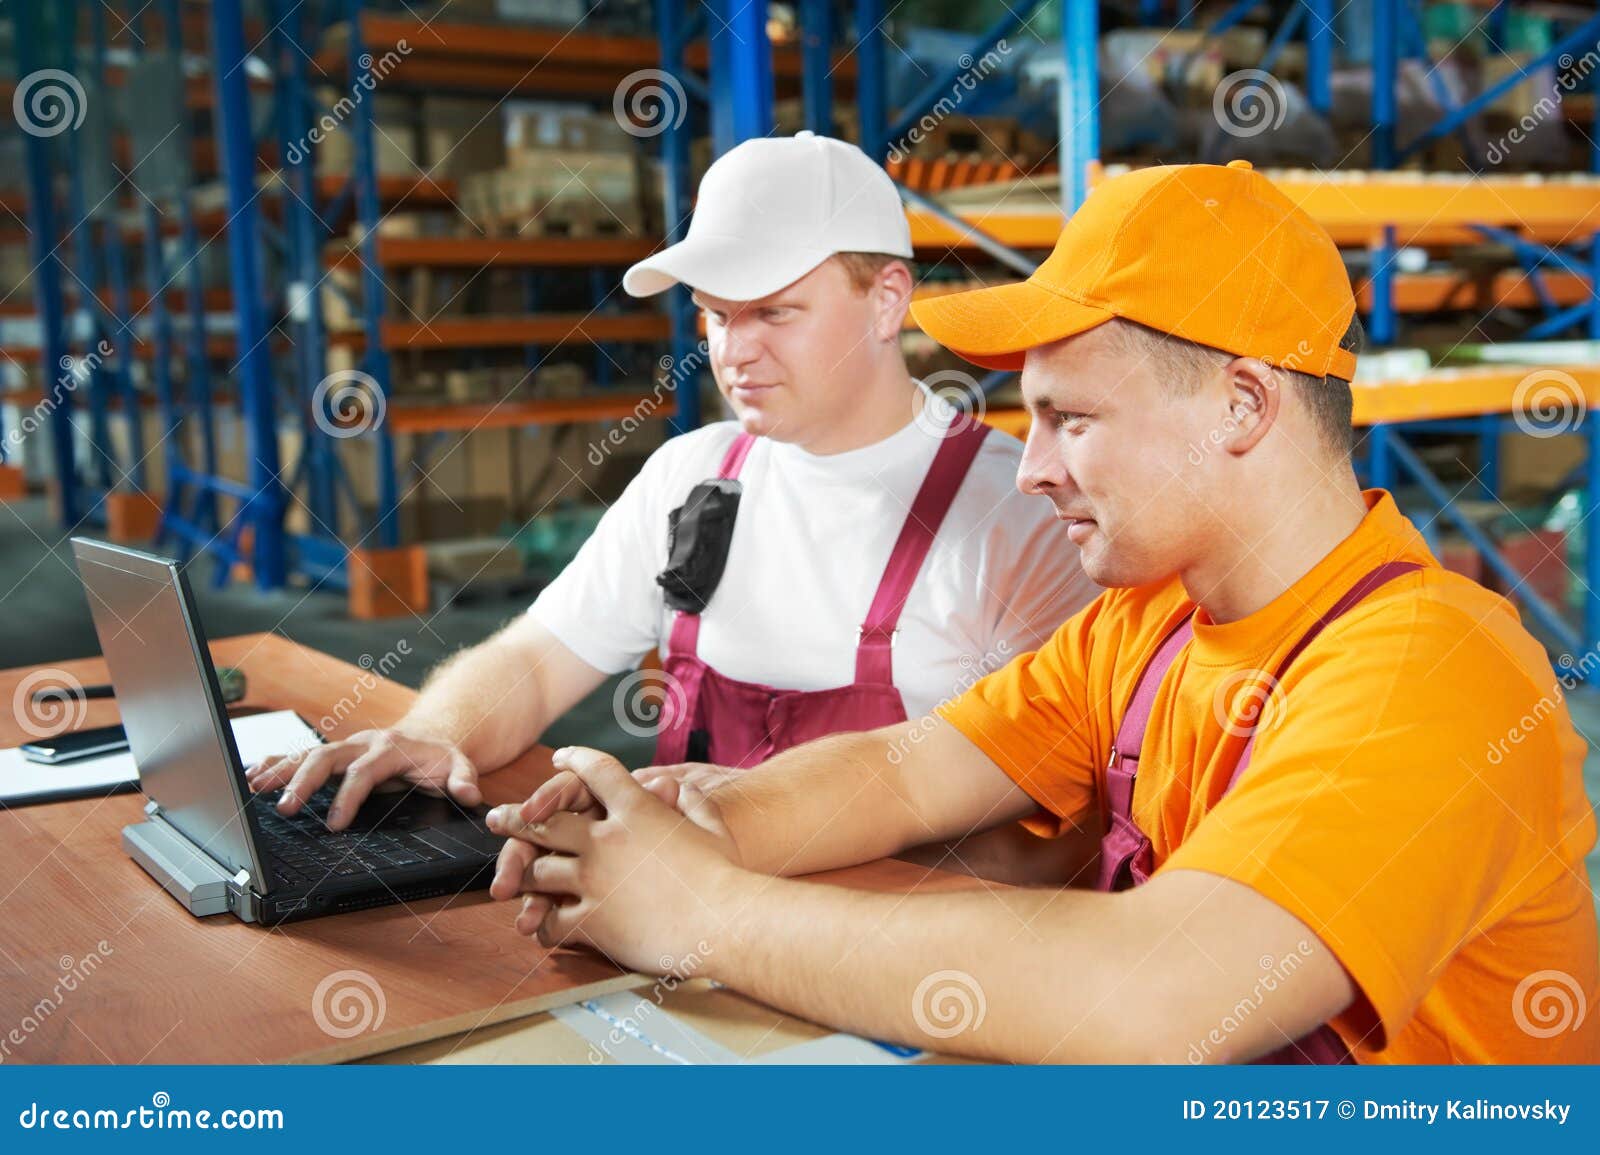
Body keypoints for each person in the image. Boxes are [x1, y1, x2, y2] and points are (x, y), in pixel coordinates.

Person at [488, 160, 1600, 1064]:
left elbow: (1156, 1002)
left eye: (1071, 419)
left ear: (1243, 404)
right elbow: (911, 768)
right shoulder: (1149, 625)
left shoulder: (1427, 672)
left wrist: (701, 913)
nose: (1031, 470)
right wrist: (692, 821)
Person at [245, 132, 1096, 883]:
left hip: (891, 956)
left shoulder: (1020, 512)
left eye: (773, 311)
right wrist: (438, 734)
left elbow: (1063, 840)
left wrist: (753, 857)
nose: (734, 351)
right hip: (672, 919)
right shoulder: (693, 475)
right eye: (714, 316)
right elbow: (540, 659)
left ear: (887, 300)